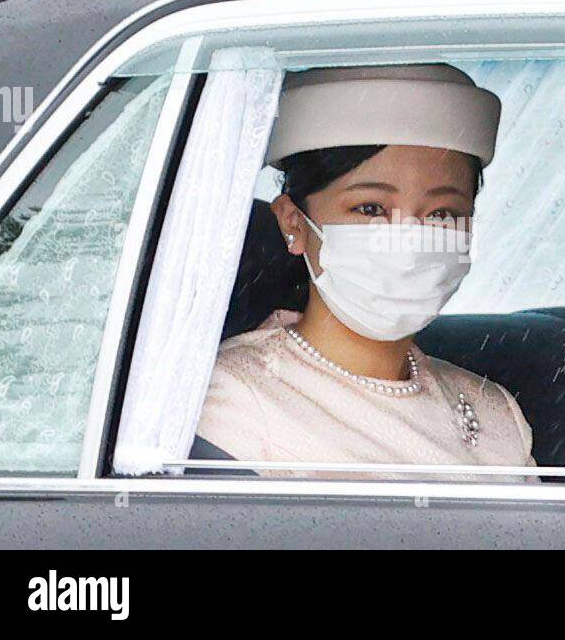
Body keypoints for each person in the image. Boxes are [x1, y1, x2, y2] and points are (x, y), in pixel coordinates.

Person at [195, 64, 536, 479]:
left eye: (443, 213)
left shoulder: (495, 411)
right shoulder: (235, 401)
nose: (408, 241)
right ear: (292, 222)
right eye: (370, 209)